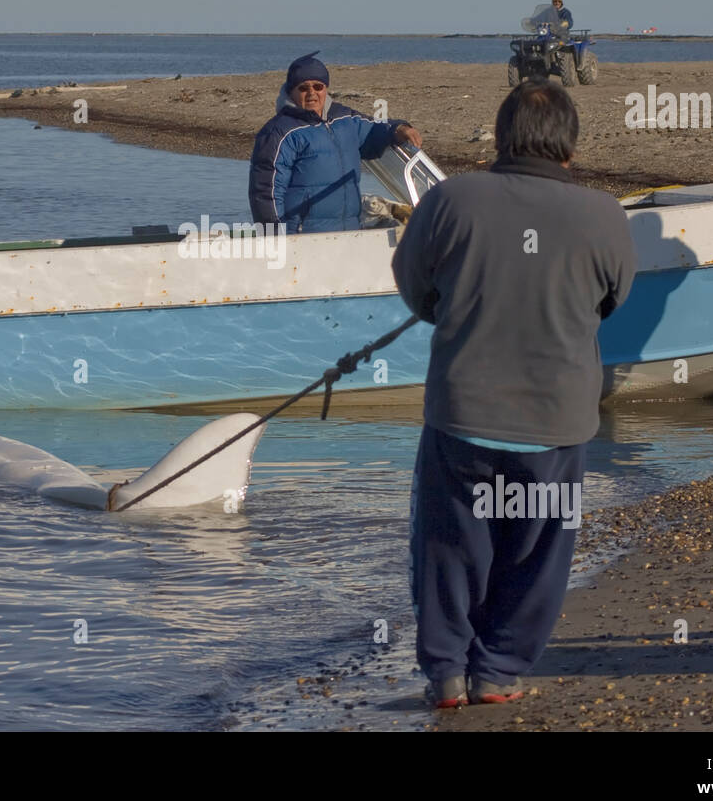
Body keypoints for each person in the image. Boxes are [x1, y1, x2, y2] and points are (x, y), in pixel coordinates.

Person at [391, 80, 636, 708]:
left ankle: (446, 674)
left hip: (463, 412)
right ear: (569, 147)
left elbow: (416, 290)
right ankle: (496, 672)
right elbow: (612, 299)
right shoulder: (604, 214)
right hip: (556, 420)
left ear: (500, 138)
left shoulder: (450, 200)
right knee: (536, 553)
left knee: (451, 550)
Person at [249, 52, 423, 233]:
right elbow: (265, 192)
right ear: (291, 91)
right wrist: (275, 238)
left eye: (318, 86)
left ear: (326, 88)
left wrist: (399, 129)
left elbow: (373, 129)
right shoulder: (278, 132)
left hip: (348, 232)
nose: (312, 93)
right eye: (303, 88)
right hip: (303, 238)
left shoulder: (344, 118)